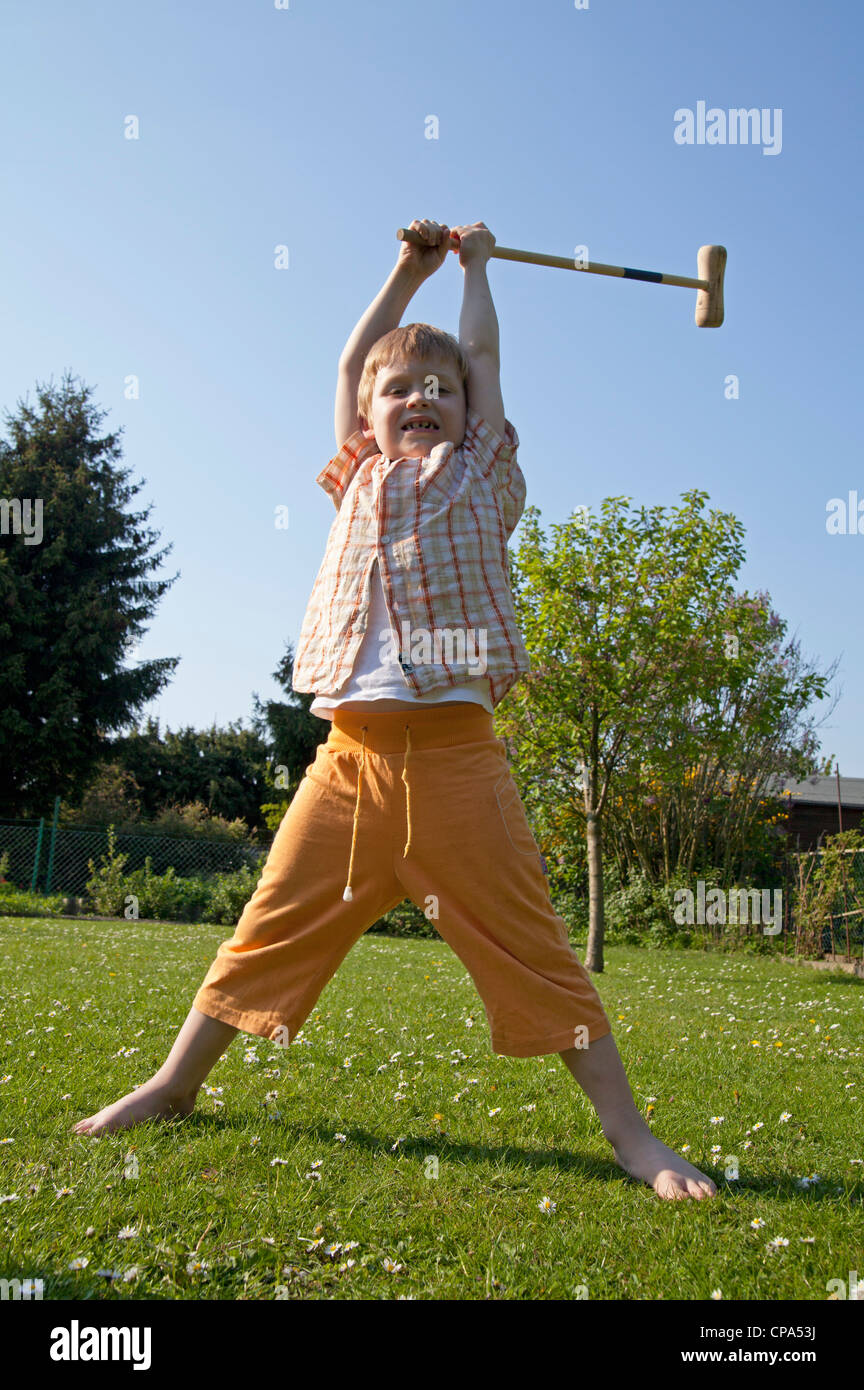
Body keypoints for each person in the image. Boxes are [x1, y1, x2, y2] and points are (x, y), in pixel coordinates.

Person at [74, 218, 717, 1201]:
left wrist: (474, 271)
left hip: (458, 763)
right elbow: (348, 358)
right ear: (367, 419)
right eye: (400, 389)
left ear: (468, 413)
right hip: (345, 765)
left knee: (533, 950)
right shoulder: (354, 483)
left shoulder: (481, 478)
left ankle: (632, 1138)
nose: (420, 396)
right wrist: (403, 272)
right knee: (264, 929)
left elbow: (484, 354)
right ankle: (172, 1084)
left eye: (441, 388)